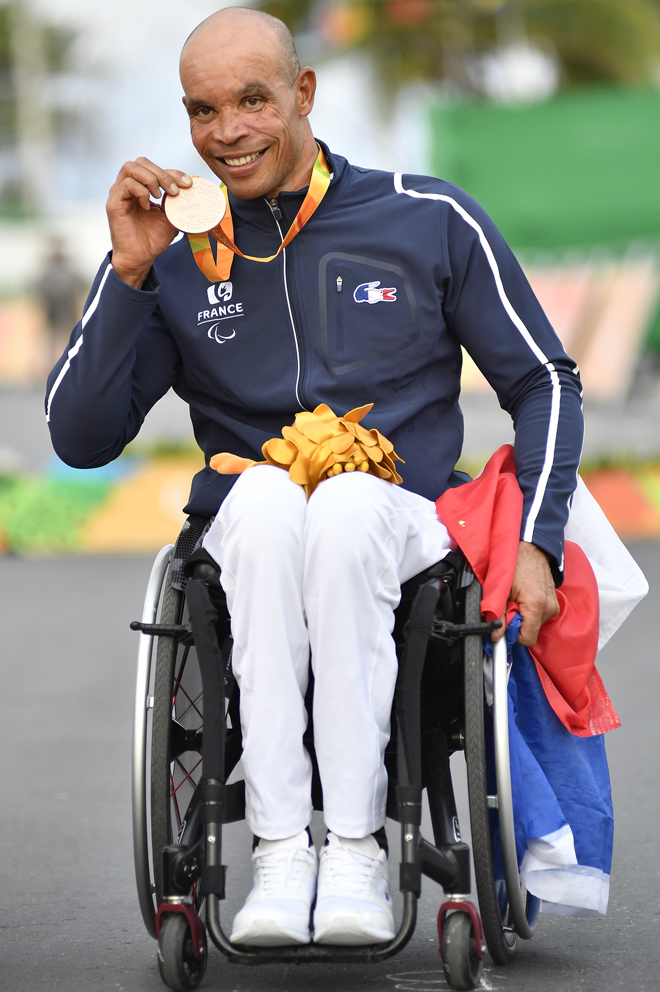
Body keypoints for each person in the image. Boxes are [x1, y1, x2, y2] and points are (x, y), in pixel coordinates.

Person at [45, 8, 583, 947]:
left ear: (303, 94)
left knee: (339, 506)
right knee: (261, 493)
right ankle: (283, 846)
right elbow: (81, 438)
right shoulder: (170, 261)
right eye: (203, 111)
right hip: (251, 529)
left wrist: (536, 543)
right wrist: (127, 273)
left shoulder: (428, 217)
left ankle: (355, 847)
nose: (228, 132)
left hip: (402, 519)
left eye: (252, 100)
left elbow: (542, 380)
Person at [36, 238, 87, 367]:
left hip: (66, 310)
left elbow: (82, 285)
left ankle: (70, 365)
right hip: (54, 311)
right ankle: (51, 367)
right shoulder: (49, 273)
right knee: (52, 340)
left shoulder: (69, 272)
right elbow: (41, 290)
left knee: (69, 339)